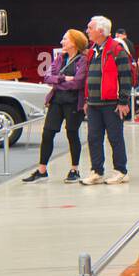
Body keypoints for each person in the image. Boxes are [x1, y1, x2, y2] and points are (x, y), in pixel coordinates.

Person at [23, 29, 88, 183]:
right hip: (56, 101)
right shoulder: (60, 58)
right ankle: (42, 170)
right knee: (47, 134)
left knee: (72, 134)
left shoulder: (83, 60)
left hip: (73, 102)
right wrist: (64, 79)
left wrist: (58, 81)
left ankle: (74, 169)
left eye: (65, 39)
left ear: (74, 42)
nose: (61, 42)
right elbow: (47, 77)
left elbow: (78, 82)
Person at [81, 15, 132, 186]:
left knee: (115, 138)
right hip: (94, 104)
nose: (87, 31)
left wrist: (123, 101)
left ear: (101, 31)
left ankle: (121, 171)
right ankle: (97, 171)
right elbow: (89, 76)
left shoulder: (117, 49)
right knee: (93, 138)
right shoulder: (93, 50)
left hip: (111, 104)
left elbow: (126, 77)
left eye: (90, 28)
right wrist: (87, 99)